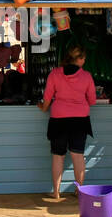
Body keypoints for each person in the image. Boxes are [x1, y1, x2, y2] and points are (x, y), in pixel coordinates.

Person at [38, 43, 96, 200]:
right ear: (81, 59)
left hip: (58, 119)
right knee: (78, 155)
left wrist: (43, 108)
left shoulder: (55, 74)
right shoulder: (86, 76)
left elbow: (47, 98)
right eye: (84, 58)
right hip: (80, 120)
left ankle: (56, 192)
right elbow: (92, 100)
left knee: (58, 155)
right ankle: (80, 191)